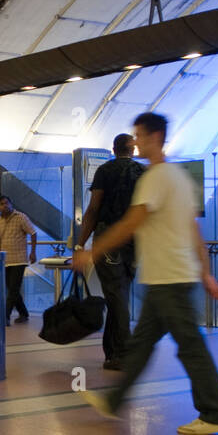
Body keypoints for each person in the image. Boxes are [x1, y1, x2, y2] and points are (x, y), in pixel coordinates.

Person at [72, 112, 218, 435]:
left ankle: (214, 413)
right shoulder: (178, 178)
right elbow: (193, 231)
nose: (136, 142)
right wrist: (206, 274)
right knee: (141, 344)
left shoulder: (155, 178)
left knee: (190, 346)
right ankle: (114, 401)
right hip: (167, 277)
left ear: (155, 137)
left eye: (140, 136)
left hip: (169, 279)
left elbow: (131, 223)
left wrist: (93, 251)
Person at [75, 133, 145, 370]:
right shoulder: (143, 172)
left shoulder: (105, 171)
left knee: (116, 296)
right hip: (134, 241)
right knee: (120, 295)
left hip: (108, 239)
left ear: (113, 149)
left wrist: (79, 244)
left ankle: (123, 354)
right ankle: (112, 352)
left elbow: (94, 210)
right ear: (132, 150)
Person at [0, 195, 37, 325]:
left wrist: (33, 252)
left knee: (13, 289)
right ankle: (23, 313)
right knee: (12, 289)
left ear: (11, 204)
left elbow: (33, 233)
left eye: (7, 203)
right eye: (2, 204)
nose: (5, 205)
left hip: (19, 259)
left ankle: (5, 316)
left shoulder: (21, 217)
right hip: (6, 259)